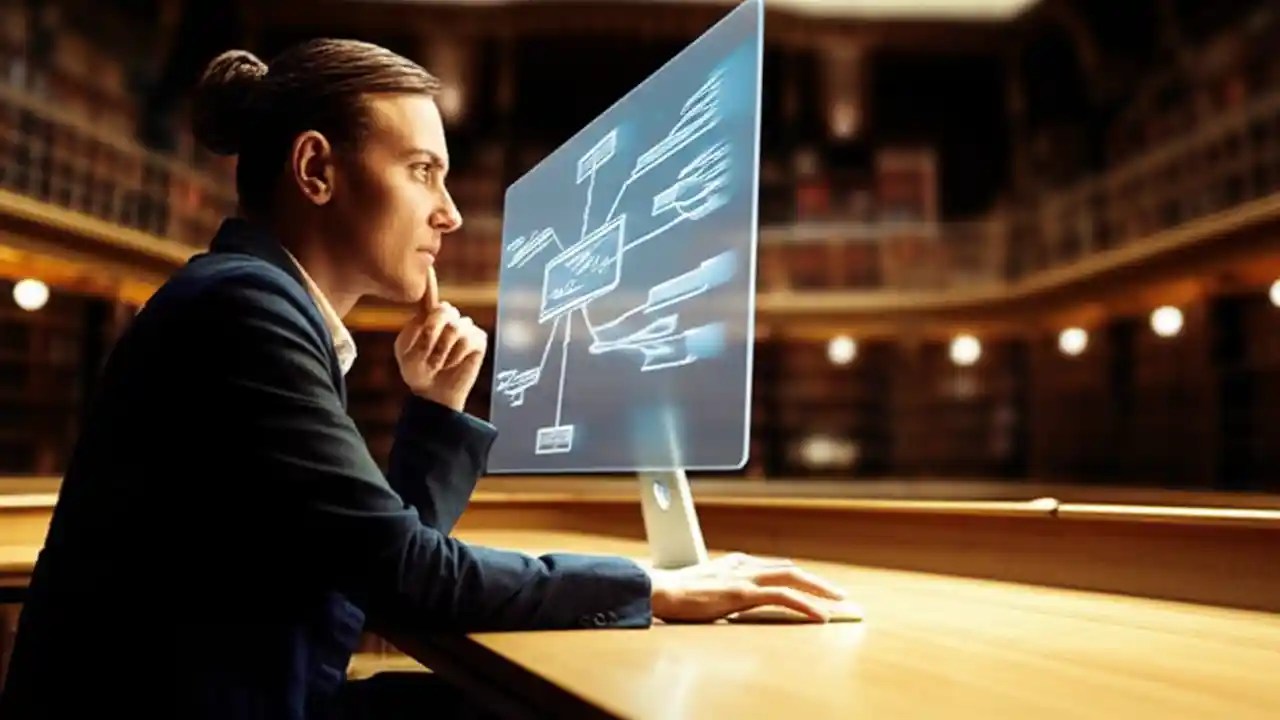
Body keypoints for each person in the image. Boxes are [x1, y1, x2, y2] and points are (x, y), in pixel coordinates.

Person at [0, 39, 845, 719]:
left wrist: (436, 409)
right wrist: (650, 589)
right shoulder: (244, 311)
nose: (452, 212)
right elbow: (401, 575)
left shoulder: (248, 302)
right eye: (422, 171)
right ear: (316, 170)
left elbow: (364, 573)